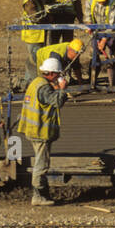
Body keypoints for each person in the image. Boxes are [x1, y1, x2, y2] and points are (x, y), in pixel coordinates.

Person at [16, 55, 69, 206]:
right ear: (52, 73)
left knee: (41, 162)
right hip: (40, 131)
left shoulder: (36, 83)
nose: (59, 76)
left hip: (33, 129)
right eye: (58, 74)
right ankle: (38, 196)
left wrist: (56, 88)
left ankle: (42, 194)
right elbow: (56, 101)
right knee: (42, 164)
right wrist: (63, 90)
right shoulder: (44, 87)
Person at [85, 0, 115, 90]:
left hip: (114, 29)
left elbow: (112, 25)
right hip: (97, 29)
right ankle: (92, 82)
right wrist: (89, 25)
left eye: (103, 0)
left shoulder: (114, 2)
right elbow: (88, 13)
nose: (101, 2)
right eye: (99, 0)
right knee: (93, 54)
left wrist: (104, 40)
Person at [21, 0, 54, 83]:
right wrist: (48, 18)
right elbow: (35, 17)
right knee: (34, 60)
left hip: (38, 35)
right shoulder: (30, 1)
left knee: (34, 58)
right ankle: (33, 82)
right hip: (33, 36)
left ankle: (27, 81)